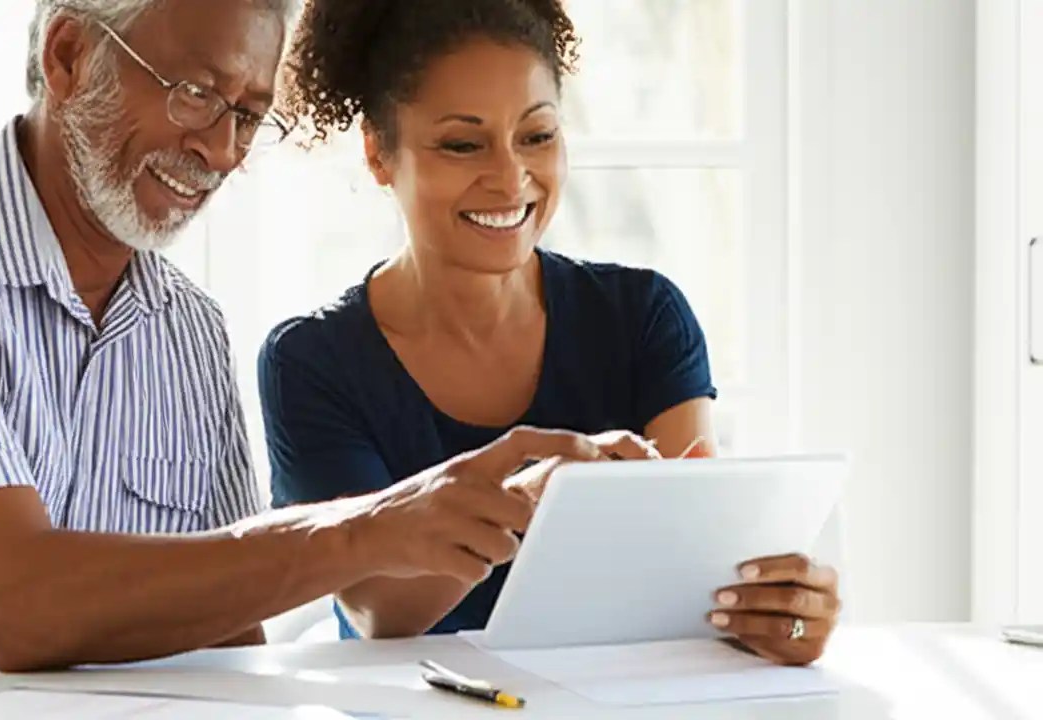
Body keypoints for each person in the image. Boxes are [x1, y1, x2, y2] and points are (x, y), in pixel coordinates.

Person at [0, 1, 627, 716]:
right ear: (67, 56)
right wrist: (374, 527)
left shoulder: (186, 331)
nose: (219, 150)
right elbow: (15, 605)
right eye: (193, 93)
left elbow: (222, 648)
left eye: (249, 115)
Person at [261, 0, 841, 667]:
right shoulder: (311, 361)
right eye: (461, 143)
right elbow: (380, 612)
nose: (510, 178)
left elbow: (700, 580)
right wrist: (535, 500)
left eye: (537, 136)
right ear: (378, 152)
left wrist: (787, 622)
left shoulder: (643, 316)